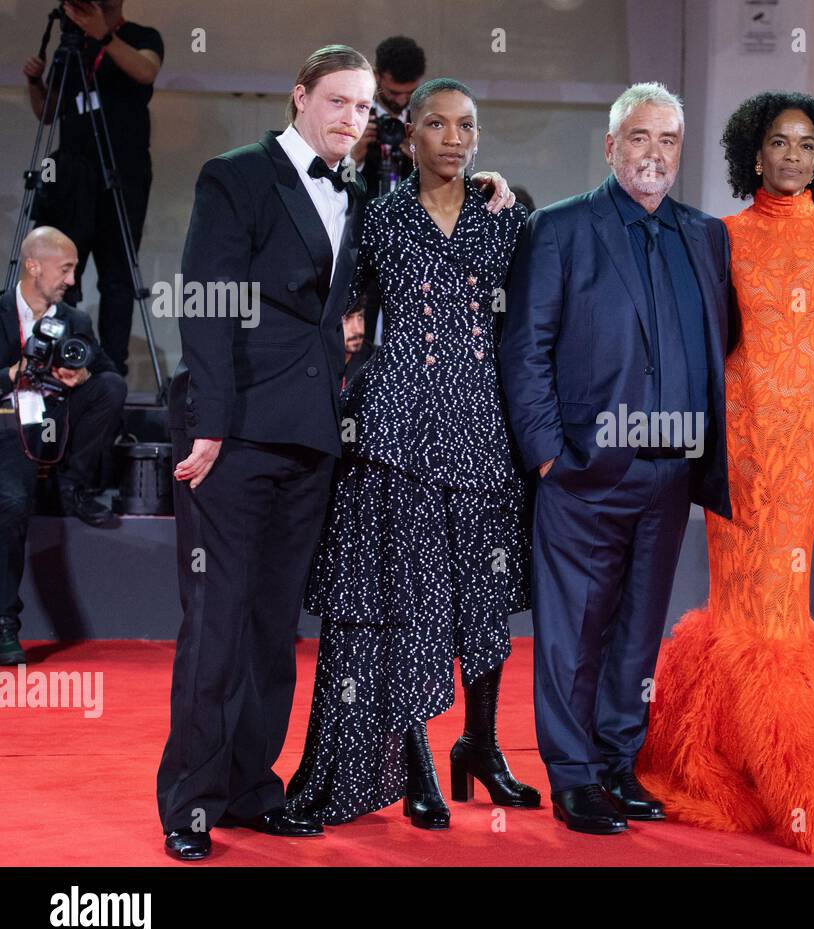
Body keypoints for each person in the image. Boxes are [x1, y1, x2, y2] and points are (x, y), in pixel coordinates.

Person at [636, 92, 814, 857]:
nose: (795, 157)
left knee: (782, 609)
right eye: (780, 144)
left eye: (809, 146)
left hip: (801, 454)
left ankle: (787, 760)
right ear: (753, 154)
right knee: (739, 603)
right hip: (739, 446)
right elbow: (696, 345)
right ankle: (726, 757)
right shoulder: (718, 239)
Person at [285, 78, 536, 831]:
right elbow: (336, 313)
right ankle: (418, 760)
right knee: (410, 602)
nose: (454, 138)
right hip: (396, 432)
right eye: (437, 123)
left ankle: (482, 748)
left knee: (483, 599)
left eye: (467, 125)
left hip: (484, 429)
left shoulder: (506, 219)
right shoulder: (379, 216)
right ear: (411, 136)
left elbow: (532, 325)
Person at [155, 45, 376, 863]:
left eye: (363, 108)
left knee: (274, 629)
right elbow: (206, 302)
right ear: (300, 98)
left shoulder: (351, 194)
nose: (352, 119)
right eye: (338, 102)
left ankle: (253, 789)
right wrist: (208, 423)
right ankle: (191, 803)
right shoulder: (237, 175)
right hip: (233, 436)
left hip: (310, 439)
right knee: (216, 624)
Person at [500, 82, 731, 835]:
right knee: (573, 629)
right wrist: (547, 459)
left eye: (667, 140)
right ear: (611, 146)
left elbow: (717, 344)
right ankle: (571, 775)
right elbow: (525, 348)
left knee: (638, 629)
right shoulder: (561, 228)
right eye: (639, 138)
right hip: (583, 469)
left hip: (669, 468)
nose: (654, 154)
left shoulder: (704, 235)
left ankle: (616, 762)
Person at [0, 227, 127, 666]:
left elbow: (108, 373)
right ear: (34, 266)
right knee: (13, 504)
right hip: (8, 426)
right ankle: (3, 623)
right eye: (67, 268)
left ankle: (71, 487)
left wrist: (82, 375)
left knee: (110, 387)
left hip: (57, 422)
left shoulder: (74, 320)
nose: (73, 280)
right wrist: (13, 373)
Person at [24, 0, 164, 374]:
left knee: (118, 276)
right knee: (61, 271)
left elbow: (146, 70)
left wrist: (103, 35)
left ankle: (110, 372)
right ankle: (53, 363)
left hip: (124, 169)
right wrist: (35, 83)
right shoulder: (72, 46)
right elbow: (50, 111)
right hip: (73, 172)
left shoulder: (140, 37)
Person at [352, 35, 424, 203]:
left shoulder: (425, 120)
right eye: (394, 92)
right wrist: (353, 157)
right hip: (359, 220)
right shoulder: (354, 115)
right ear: (376, 76)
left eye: (410, 92)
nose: (402, 100)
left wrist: (424, 161)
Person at [340, 291, 374, 391]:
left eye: (360, 317)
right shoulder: (313, 360)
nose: (359, 330)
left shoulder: (373, 360)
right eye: (347, 319)